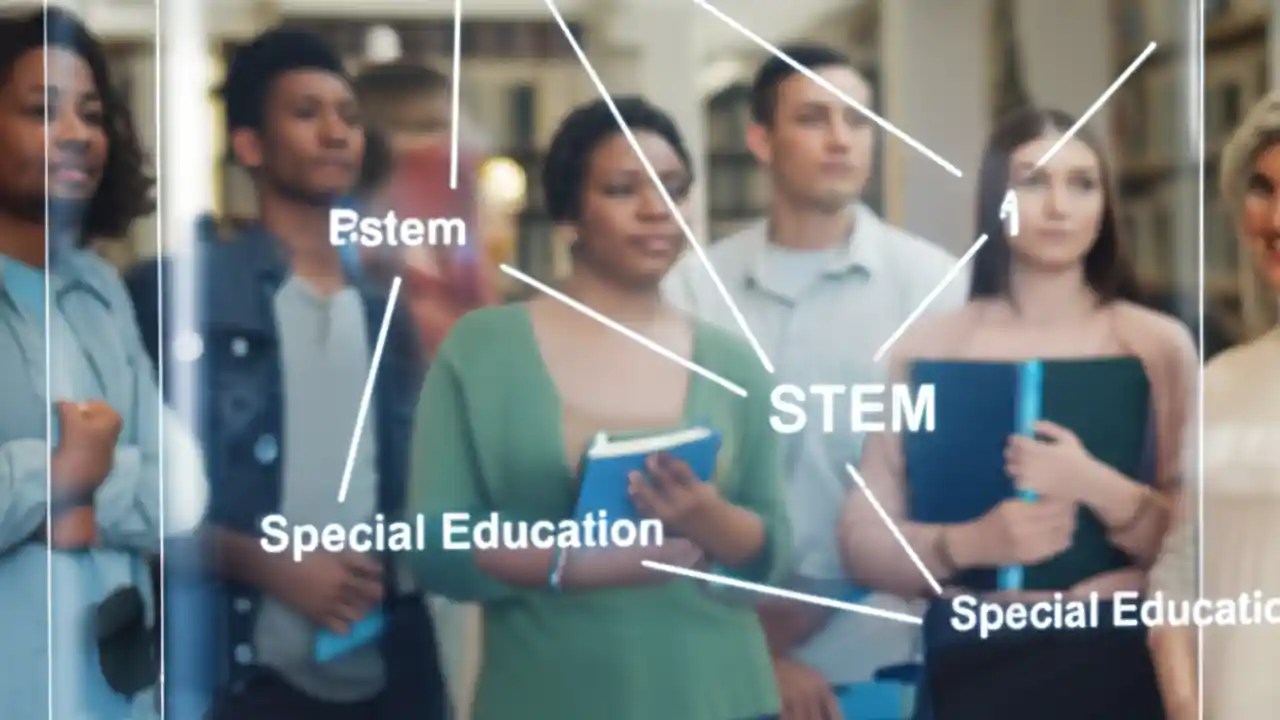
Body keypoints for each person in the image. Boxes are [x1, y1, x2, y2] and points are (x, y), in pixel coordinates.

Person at [406, 96, 791, 720]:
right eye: (622, 188)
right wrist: (569, 563)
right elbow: (432, 544)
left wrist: (707, 517)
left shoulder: (733, 363)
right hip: (546, 696)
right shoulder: (482, 351)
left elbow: (771, 550)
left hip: (722, 696)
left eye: (673, 188)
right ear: (569, 215)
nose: (656, 210)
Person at [126, 27, 446, 720]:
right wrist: (271, 565)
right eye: (307, 113)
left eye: (348, 116)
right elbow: (131, 504)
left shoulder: (385, 310)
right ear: (249, 145)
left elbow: (399, 494)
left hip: (379, 672)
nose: (336, 132)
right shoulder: (180, 294)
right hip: (240, 676)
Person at [840, 108, 1197, 718]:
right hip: (973, 662)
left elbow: (1204, 537)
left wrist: (1101, 489)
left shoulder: (1156, 345)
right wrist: (969, 543)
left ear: (1106, 205)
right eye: (1033, 181)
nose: (1059, 205)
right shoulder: (925, 348)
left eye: (1082, 183)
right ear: (994, 198)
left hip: (1118, 657)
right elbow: (861, 540)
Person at [663, 43, 964, 718]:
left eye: (858, 120)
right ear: (761, 140)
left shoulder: (938, 288)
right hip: (718, 655)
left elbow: (948, 487)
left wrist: (813, 614)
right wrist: (755, 647)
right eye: (814, 119)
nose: (840, 139)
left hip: (886, 660)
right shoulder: (692, 291)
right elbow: (665, 482)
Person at [0, 7, 204, 718]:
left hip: (113, 692)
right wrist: (54, 475)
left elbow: (182, 490)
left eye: (91, 113)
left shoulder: (100, 291)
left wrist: (79, 499)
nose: (78, 134)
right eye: (41, 110)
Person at [1149, 92, 1280, 720]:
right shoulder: (1222, 380)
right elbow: (1179, 572)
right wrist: (1184, 703)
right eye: (1262, 188)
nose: (1276, 218)